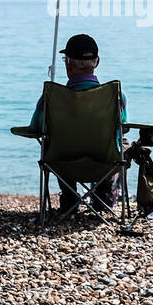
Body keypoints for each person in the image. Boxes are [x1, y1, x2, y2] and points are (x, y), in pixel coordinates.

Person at [28, 33, 127, 214]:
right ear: (97, 62)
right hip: (104, 164)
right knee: (122, 143)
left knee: (51, 142)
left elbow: (35, 128)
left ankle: (69, 196)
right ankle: (102, 194)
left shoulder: (51, 98)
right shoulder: (117, 96)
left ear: (68, 64)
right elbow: (124, 127)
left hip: (64, 164)